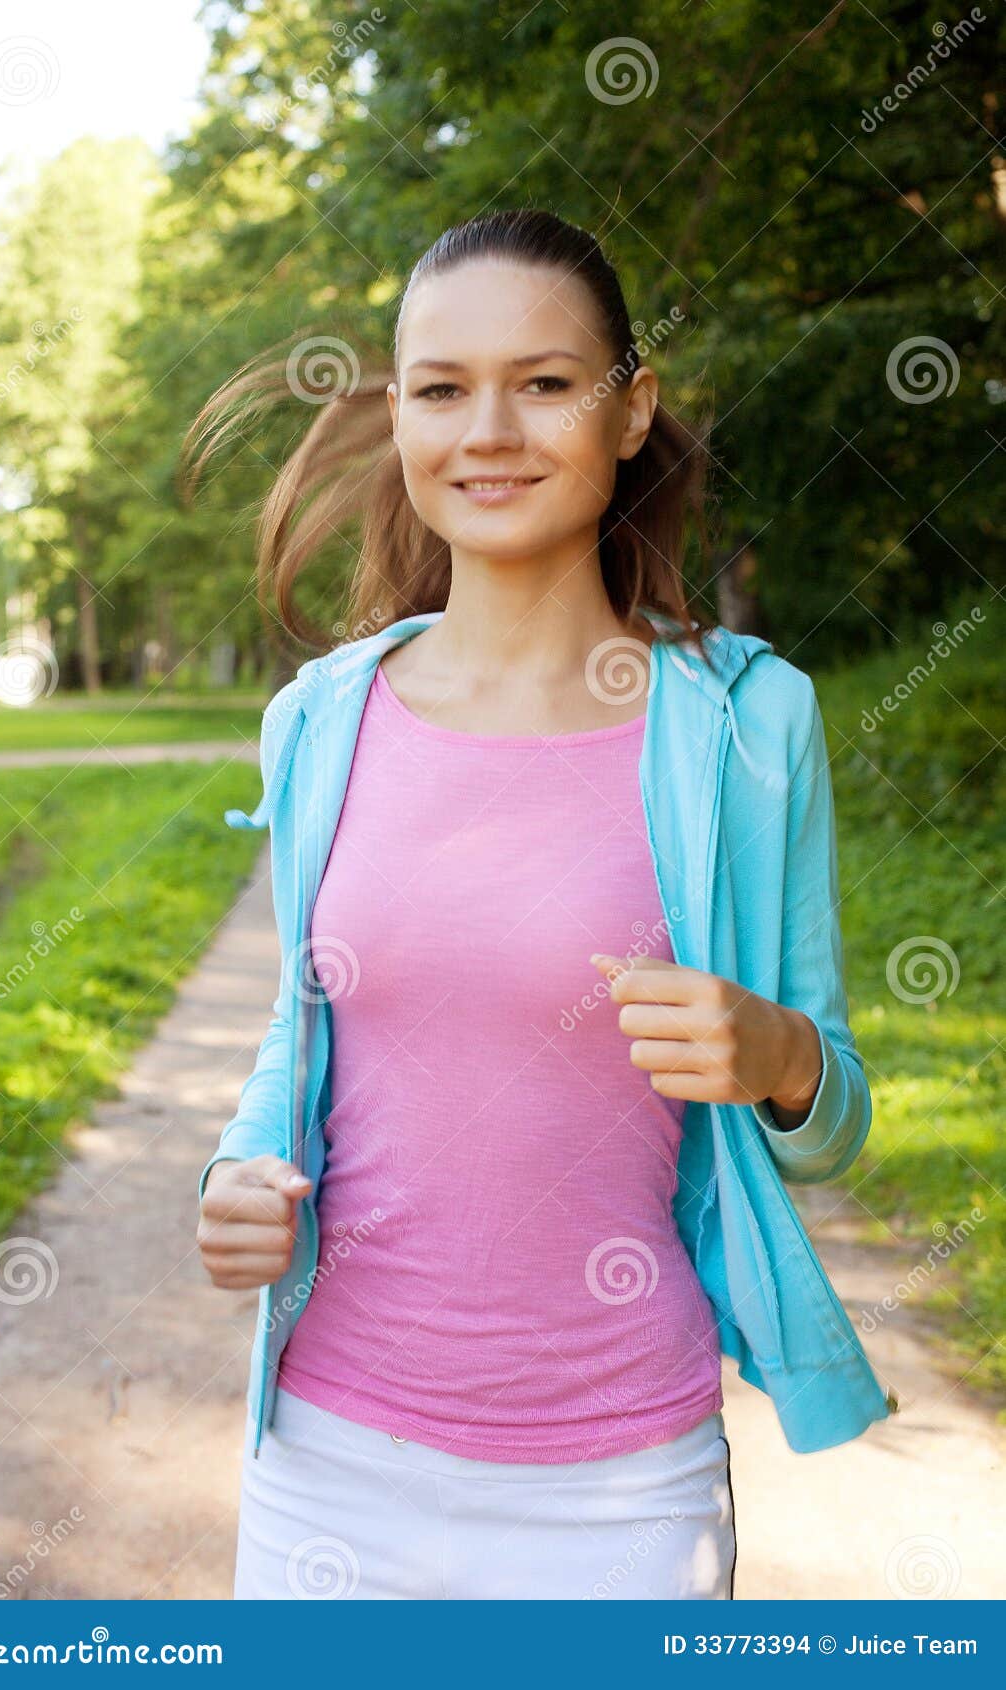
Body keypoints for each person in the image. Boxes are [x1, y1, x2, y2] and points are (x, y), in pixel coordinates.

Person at [188, 208, 891, 1601]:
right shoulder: (319, 719)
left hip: (623, 1491)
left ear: (632, 408)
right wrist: (236, 1166)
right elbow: (306, 1026)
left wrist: (783, 1058)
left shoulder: (750, 726)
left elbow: (831, 1130)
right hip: (328, 1462)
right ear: (401, 419)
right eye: (442, 388)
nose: (488, 428)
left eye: (546, 381)